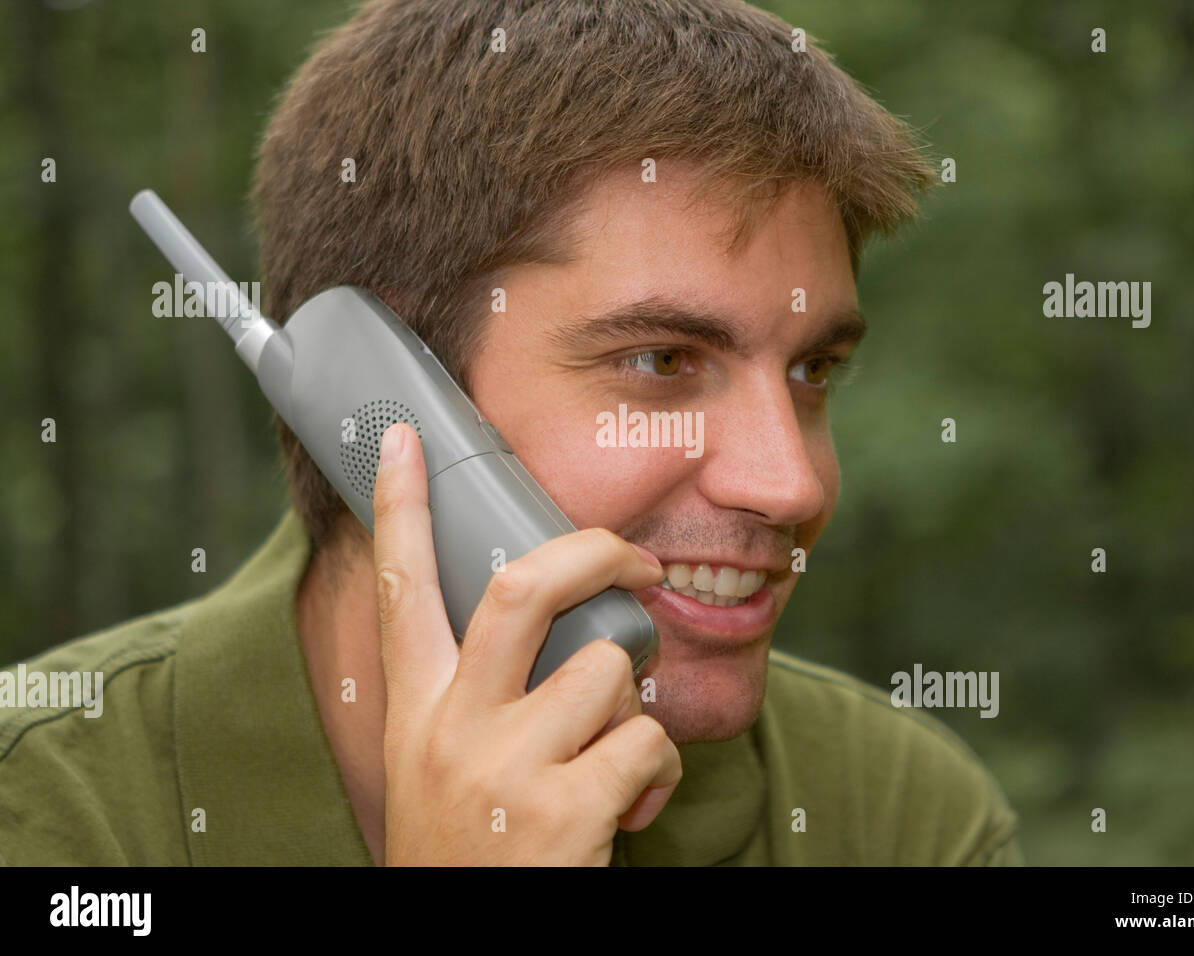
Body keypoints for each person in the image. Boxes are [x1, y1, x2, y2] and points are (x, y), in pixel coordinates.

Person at [0, 0, 1022, 866]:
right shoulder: (45, 811)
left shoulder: (901, 815)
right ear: (380, 396)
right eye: (663, 361)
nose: (791, 483)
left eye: (812, 370)